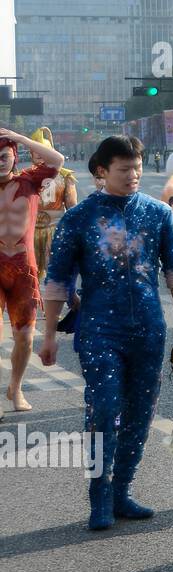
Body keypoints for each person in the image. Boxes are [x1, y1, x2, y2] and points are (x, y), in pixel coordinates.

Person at [39, 135, 173, 530]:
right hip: (99, 329)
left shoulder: (158, 214)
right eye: (124, 169)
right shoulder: (79, 218)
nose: (133, 175)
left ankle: (123, 489)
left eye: (137, 168)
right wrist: (47, 336)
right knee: (104, 408)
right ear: (101, 171)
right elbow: (57, 280)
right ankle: (99, 493)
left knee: (140, 412)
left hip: (148, 327)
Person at [0, 127, 67, 417]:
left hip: (23, 269)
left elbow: (57, 160)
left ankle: (16, 387)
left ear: (14, 157)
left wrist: (22, 138)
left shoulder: (30, 180)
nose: (0, 161)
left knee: (25, 337)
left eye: (4, 156)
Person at [30, 127, 78, 283]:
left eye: (43, 151)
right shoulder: (24, 176)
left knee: (57, 276)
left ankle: (71, 299)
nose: (39, 154)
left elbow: (72, 208)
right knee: (28, 276)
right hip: (29, 232)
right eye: (35, 151)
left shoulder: (65, 177)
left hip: (55, 230)